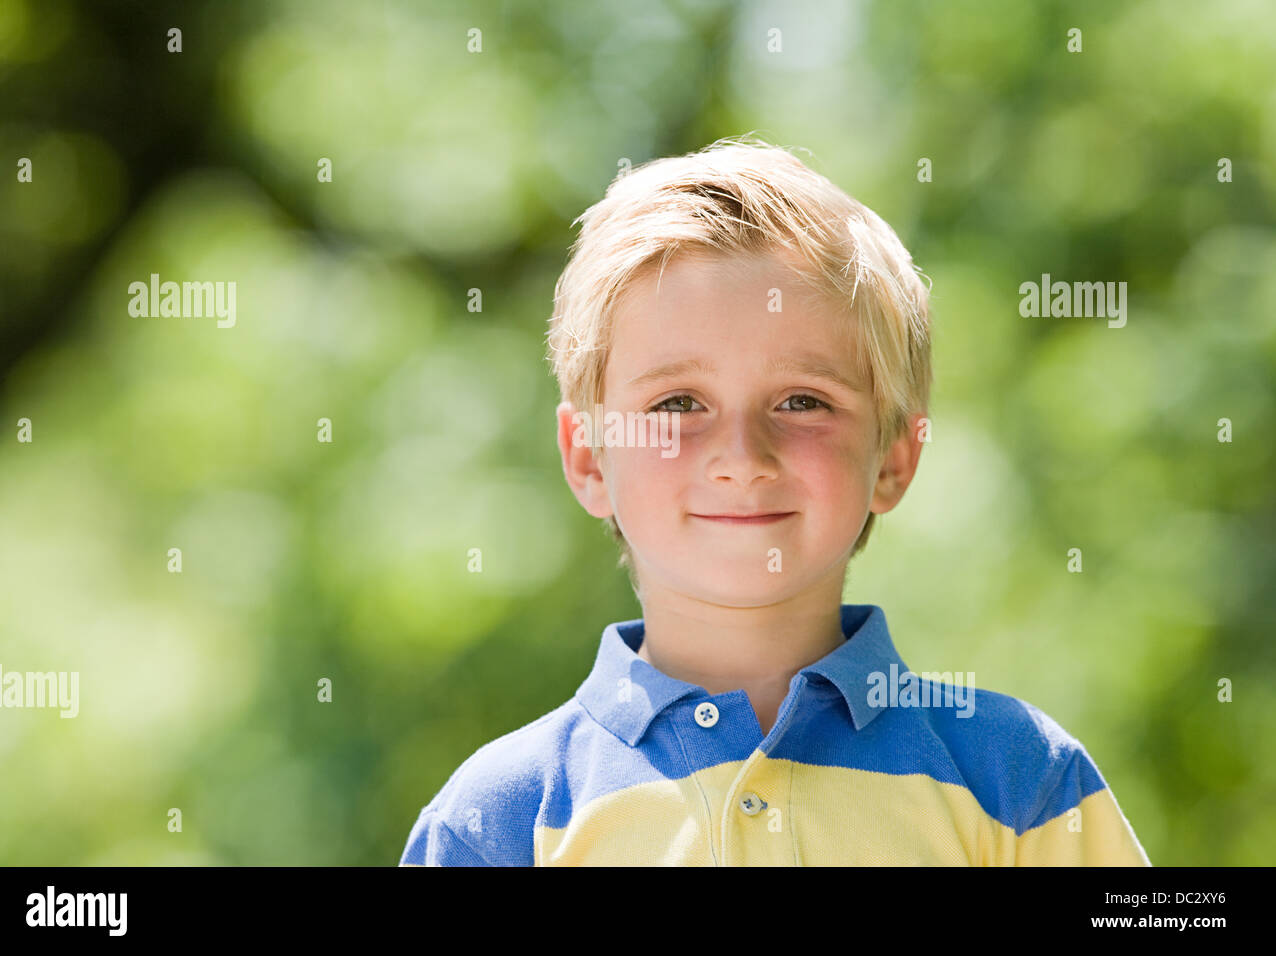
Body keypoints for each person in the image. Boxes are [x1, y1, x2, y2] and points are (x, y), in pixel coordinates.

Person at [399, 136, 1151, 865]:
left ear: (893, 456)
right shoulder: (500, 820)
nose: (741, 458)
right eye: (677, 403)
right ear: (590, 457)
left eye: (800, 400)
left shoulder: (1018, 779)